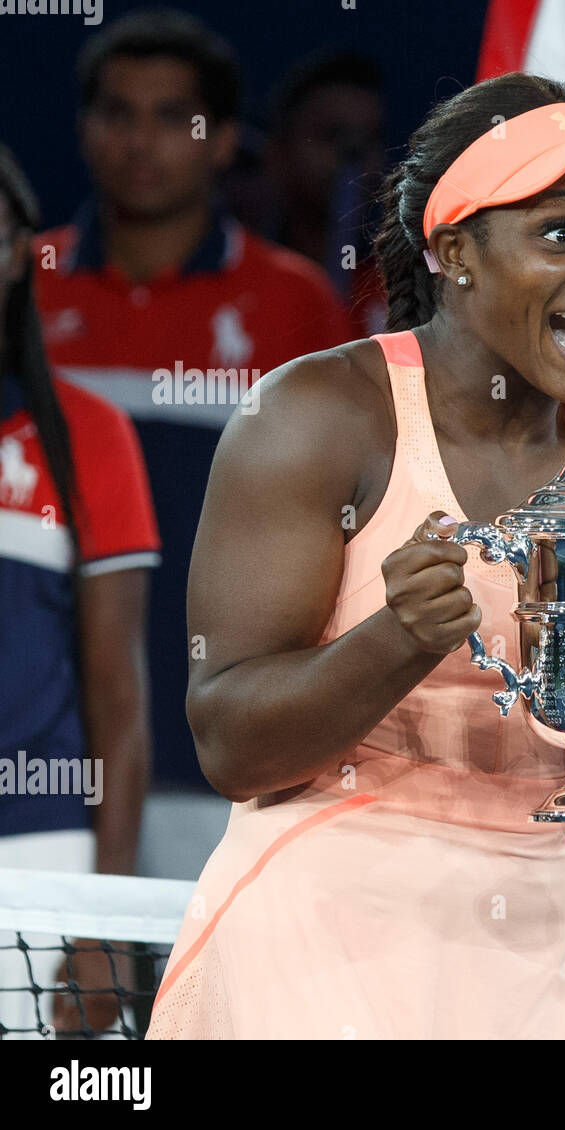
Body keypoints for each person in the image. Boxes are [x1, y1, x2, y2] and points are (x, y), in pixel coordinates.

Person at [145, 72, 565, 1040]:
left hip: (525, 952)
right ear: (456, 250)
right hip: (306, 946)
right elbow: (230, 742)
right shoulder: (318, 415)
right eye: (561, 232)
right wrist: (397, 640)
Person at [33, 8, 354, 881]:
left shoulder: (298, 309)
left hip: (231, 759)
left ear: (222, 143)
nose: (142, 142)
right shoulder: (22, 286)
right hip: (40, 767)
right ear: (83, 127)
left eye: (175, 117)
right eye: (117, 113)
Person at [0, 144, 160, 1038]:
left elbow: (119, 703)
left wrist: (106, 919)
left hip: (35, 848)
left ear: (21, 252)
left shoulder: (88, 438)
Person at [261, 50, 389, 335]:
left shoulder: (401, 297)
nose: (351, 158)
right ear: (277, 153)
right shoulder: (241, 283)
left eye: (367, 139)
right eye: (333, 135)